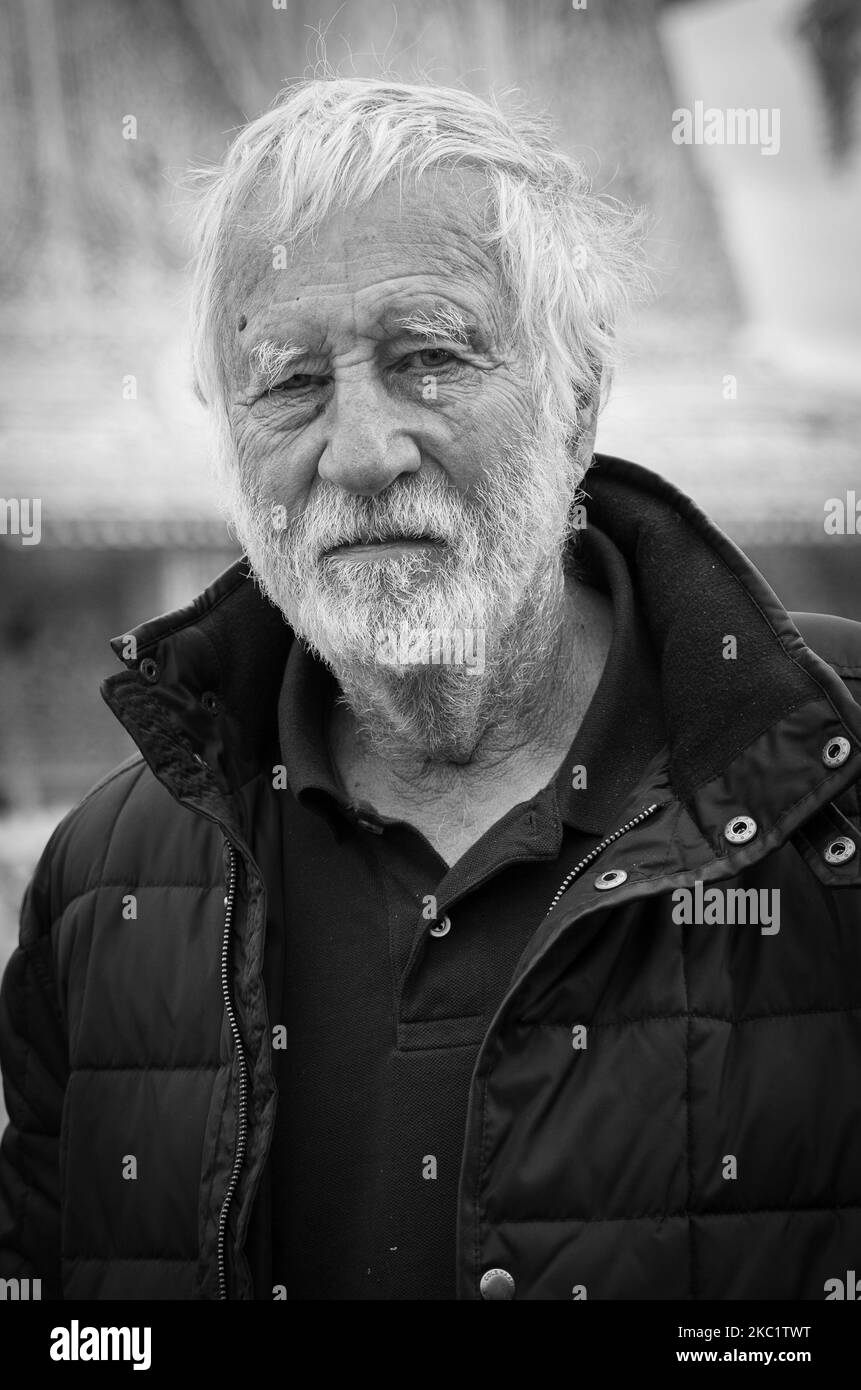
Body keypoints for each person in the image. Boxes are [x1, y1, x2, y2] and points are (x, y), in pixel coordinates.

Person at [1, 78, 860, 1303]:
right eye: (290, 381)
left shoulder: (829, 767)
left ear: (577, 402)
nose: (360, 452)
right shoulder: (107, 886)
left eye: (432, 358)